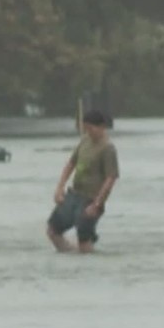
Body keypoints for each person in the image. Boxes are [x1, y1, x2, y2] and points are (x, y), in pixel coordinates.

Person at [46, 109, 120, 254]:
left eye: (91, 128)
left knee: (84, 241)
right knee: (52, 230)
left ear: (101, 127)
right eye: (85, 128)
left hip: (91, 199)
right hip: (74, 194)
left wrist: (97, 204)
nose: (88, 132)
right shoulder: (85, 140)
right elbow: (71, 164)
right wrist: (59, 188)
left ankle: (88, 266)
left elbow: (111, 178)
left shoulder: (108, 148)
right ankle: (69, 255)